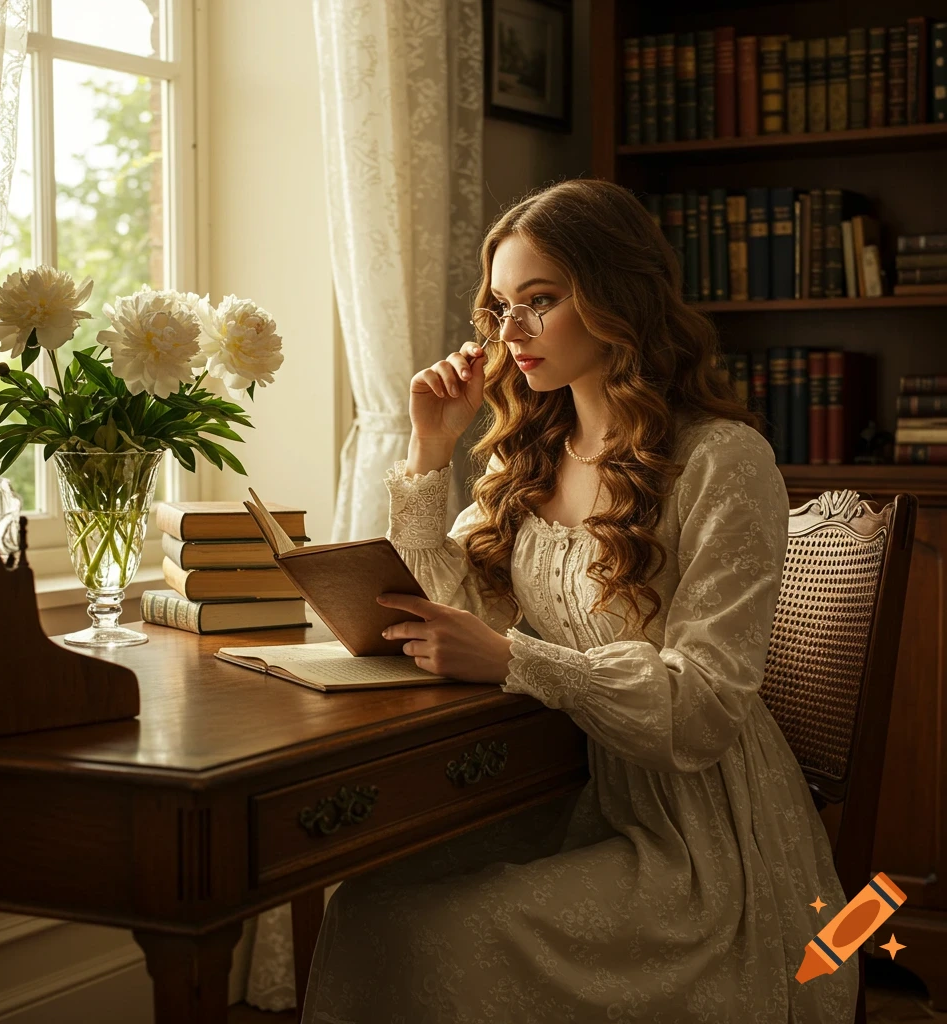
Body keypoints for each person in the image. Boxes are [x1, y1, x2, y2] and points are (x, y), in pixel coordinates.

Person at [301, 178, 856, 1023]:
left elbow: (704, 709)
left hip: (703, 841)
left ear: (615, 296)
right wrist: (429, 447)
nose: (511, 332)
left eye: (540, 301)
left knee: (437, 934)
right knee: (367, 906)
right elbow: (465, 616)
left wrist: (516, 660)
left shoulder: (721, 462)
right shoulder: (528, 456)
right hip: (574, 788)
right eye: (499, 308)